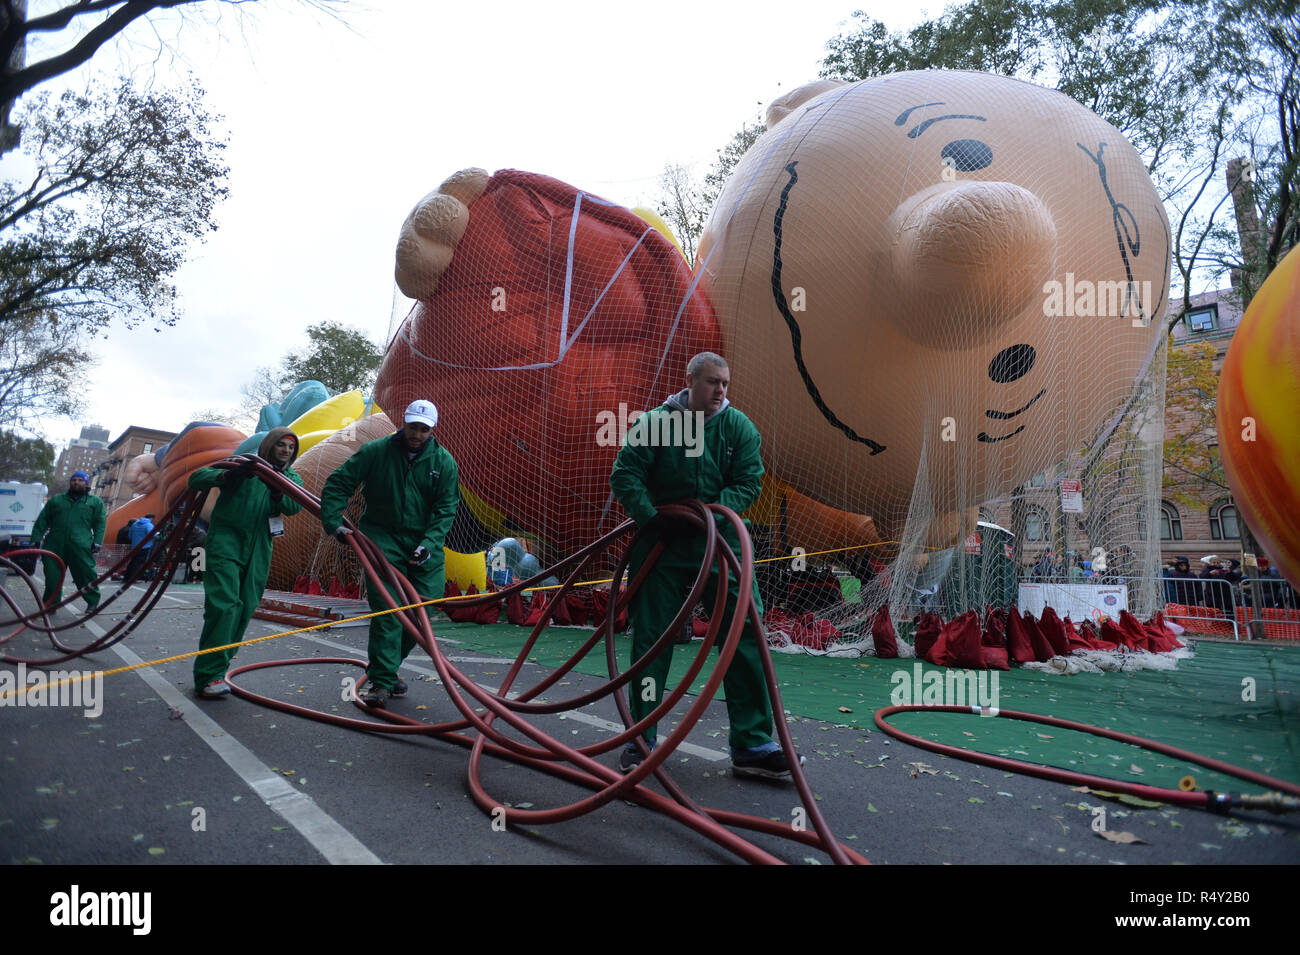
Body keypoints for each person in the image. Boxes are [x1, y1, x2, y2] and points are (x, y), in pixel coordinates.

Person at [610, 352, 801, 780]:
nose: (721, 391)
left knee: (745, 630)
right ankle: (642, 736)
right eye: (713, 382)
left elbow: (748, 482)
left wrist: (709, 518)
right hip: (662, 544)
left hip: (723, 545)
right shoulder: (656, 424)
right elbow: (625, 475)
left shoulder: (739, 428)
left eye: (726, 384)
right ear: (691, 379)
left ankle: (752, 742)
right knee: (651, 639)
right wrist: (653, 518)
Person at [319, 400, 459, 708]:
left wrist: (430, 543)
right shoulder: (376, 452)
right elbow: (338, 484)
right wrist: (333, 522)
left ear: (432, 430)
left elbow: (446, 508)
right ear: (403, 423)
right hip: (382, 537)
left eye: (424, 430)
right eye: (413, 427)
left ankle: (387, 668)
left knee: (425, 610)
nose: (417, 435)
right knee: (390, 611)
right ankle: (381, 682)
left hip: (424, 541)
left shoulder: (444, 462)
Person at [187, 429, 303, 699]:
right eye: (281, 445)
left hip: (260, 545)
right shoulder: (243, 464)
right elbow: (196, 479)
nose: (285, 451)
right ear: (269, 445)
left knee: (245, 606)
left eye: (290, 447)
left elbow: (294, 506)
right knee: (224, 605)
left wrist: (277, 491)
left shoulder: (290, 477)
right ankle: (209, 674)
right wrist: (228, 475)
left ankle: (219, 666)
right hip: (226, 541)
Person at [31, 471, 106, 613]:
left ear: (86, 483)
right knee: (53, 577)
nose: (76, 483)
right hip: (54, 544)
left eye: (80, 480)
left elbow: (100, 523)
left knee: (86, 574)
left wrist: (97, 541)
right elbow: (43, 520)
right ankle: (50, 605)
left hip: (81, 544)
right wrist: (36, 538)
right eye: (74, 480)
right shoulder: (57, 500)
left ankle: (92, 602)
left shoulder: (95, 502)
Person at [125, 512, 157, 582]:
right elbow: (153, 534)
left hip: (134, 546)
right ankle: (133, 579)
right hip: (144, 547)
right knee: (138, 563)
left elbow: (130, 536)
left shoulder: (134, 524)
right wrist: (158, 533)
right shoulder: (149, 525)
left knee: (132, 562)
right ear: (151, 518)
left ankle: (127, 577)